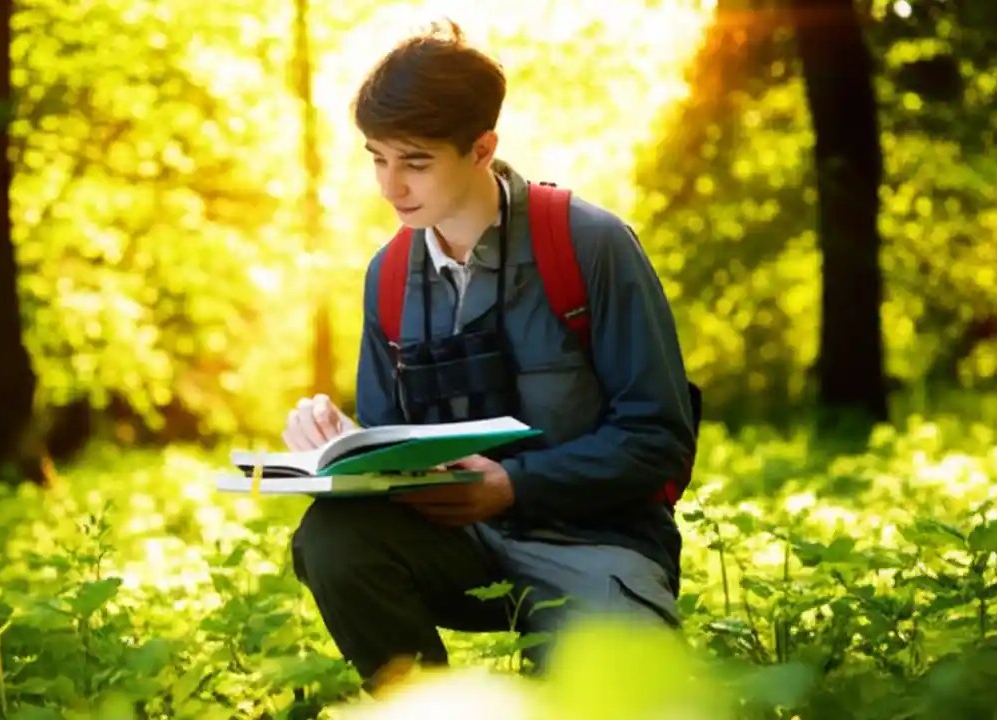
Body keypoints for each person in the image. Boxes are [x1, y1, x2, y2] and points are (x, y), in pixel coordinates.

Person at [284, 21, 697, 691]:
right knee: (335, 534)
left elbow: (658, 438)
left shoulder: (591, 244)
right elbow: (395, 456)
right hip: (460, 548)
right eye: (376, 158)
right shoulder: (385, 277)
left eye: (414, 162)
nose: (390, 186)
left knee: (613, 700)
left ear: (482, 149)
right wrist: (341, 445)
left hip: (596, 542)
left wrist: (513, 485)